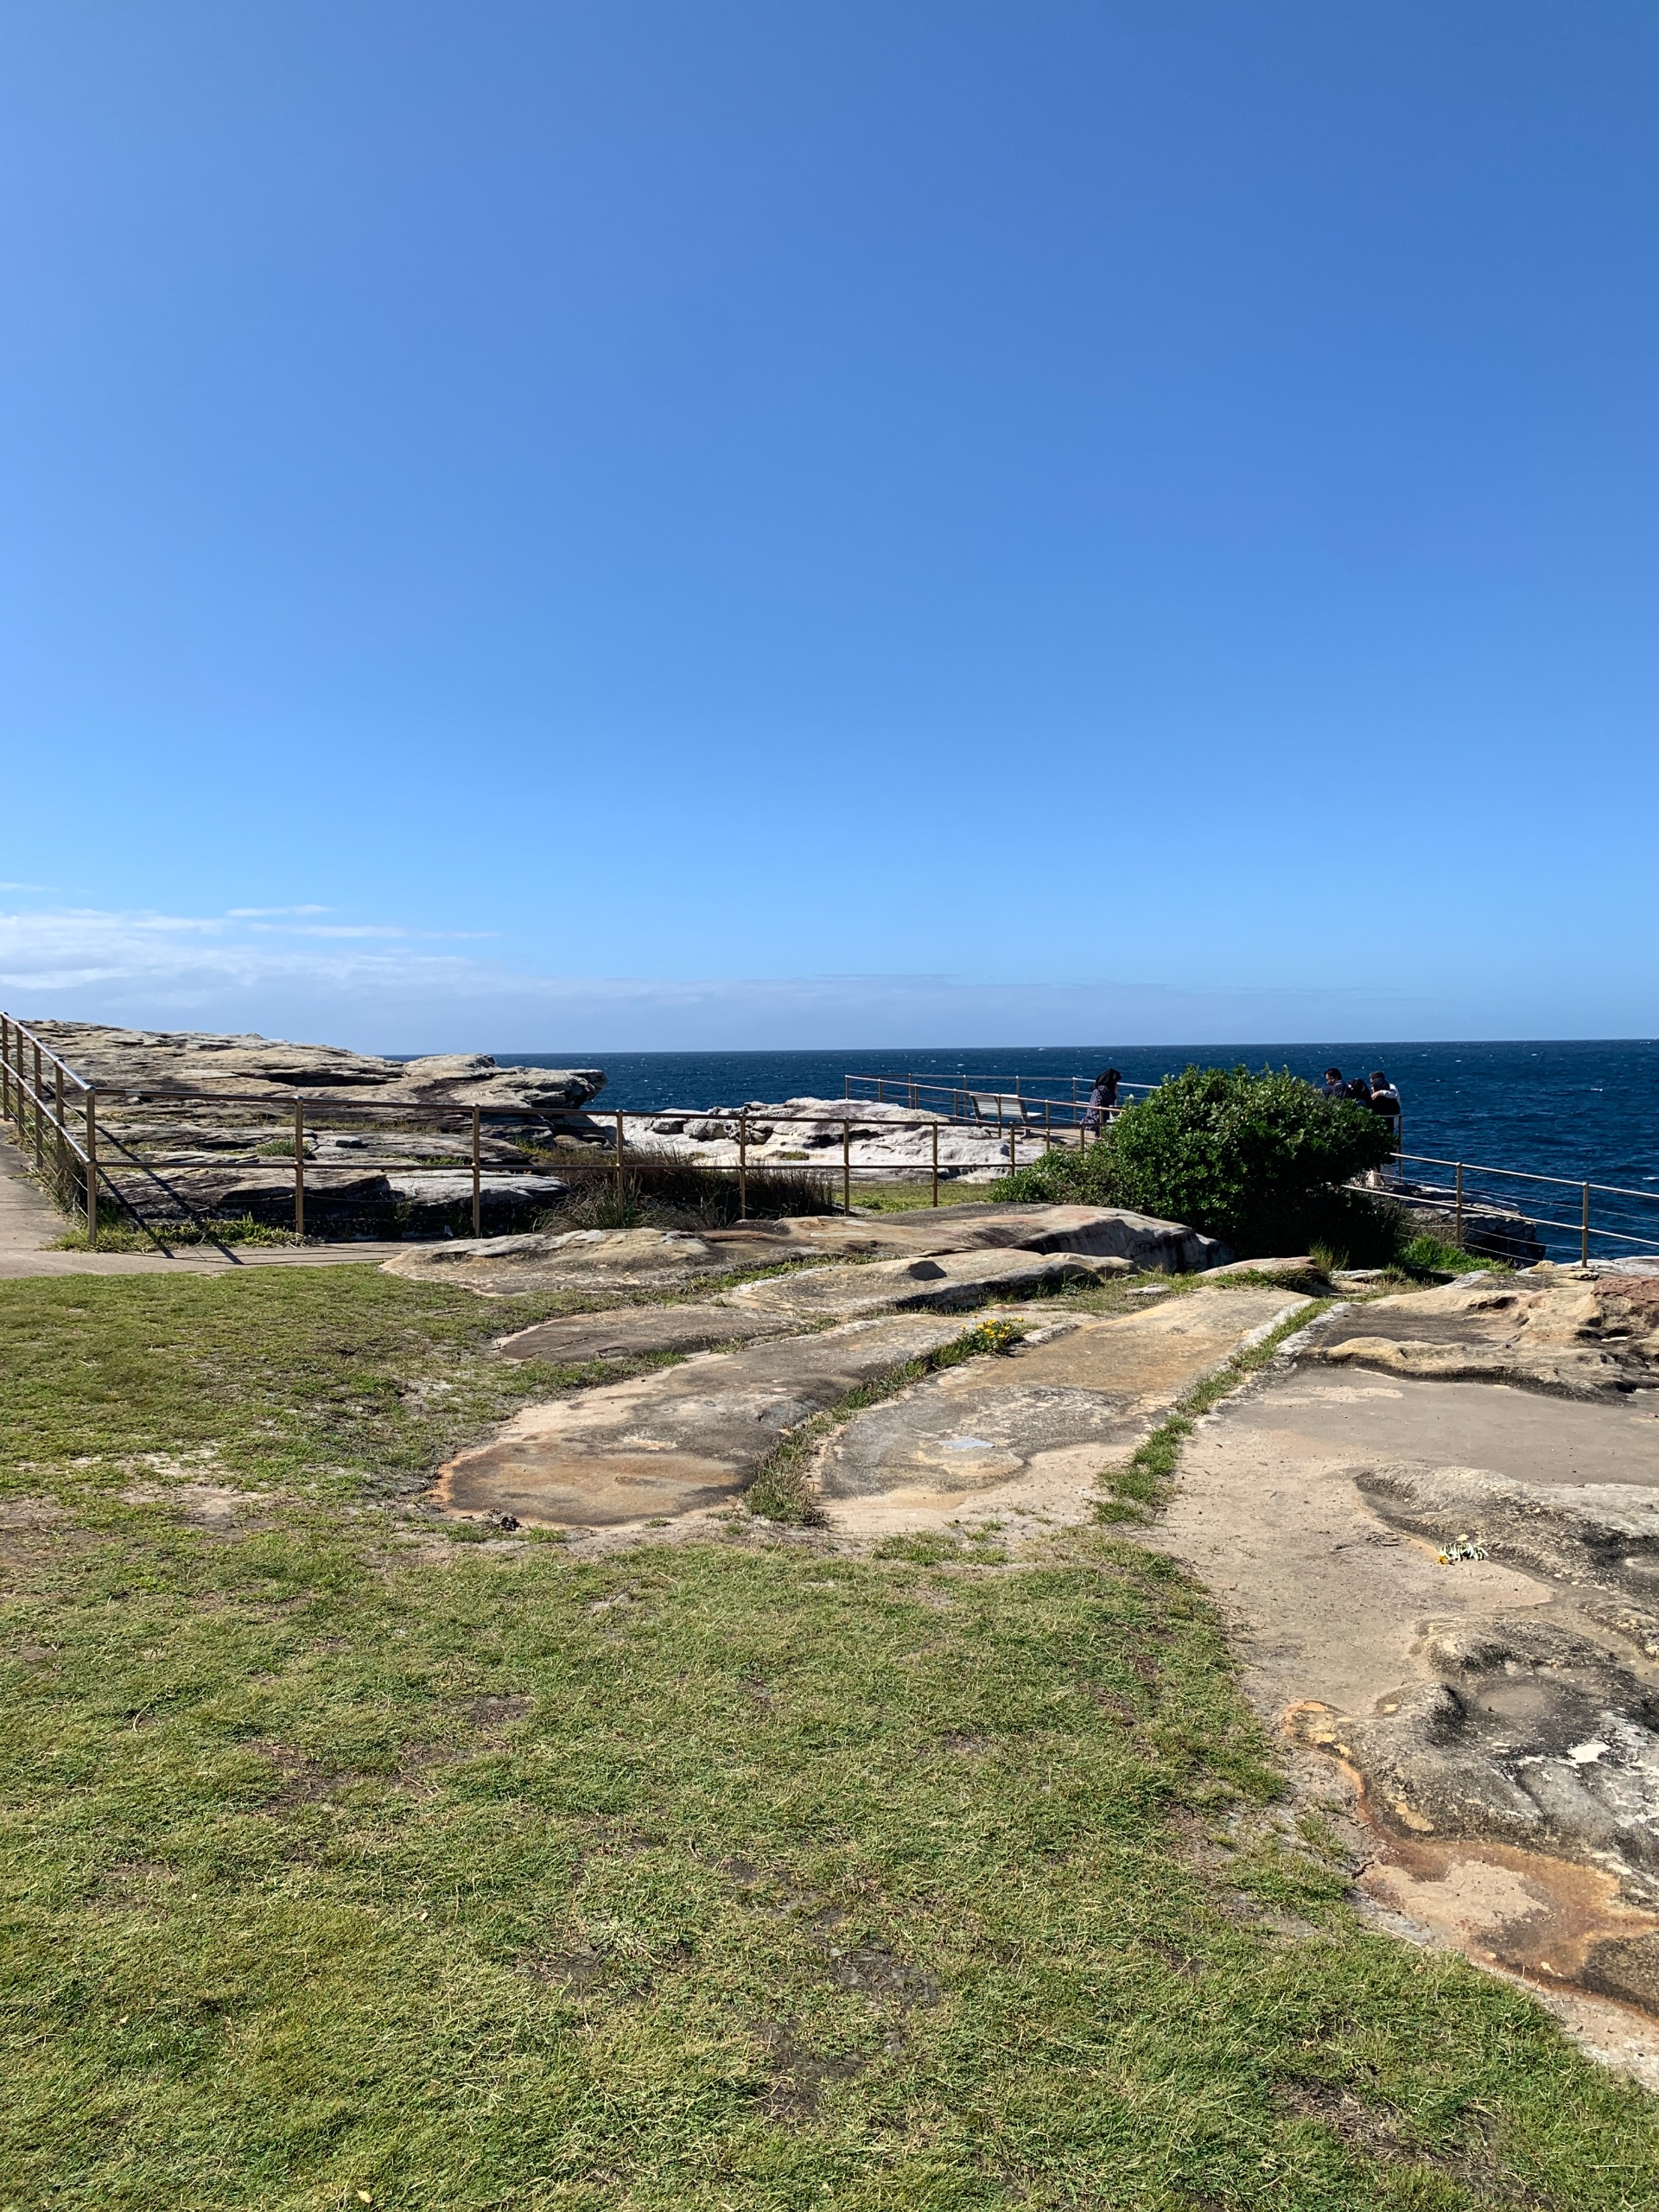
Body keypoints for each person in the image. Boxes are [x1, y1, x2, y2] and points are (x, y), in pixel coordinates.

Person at [1366, 1071, 1402, 1185]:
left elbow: (1394, 1095)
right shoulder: (1377, 1090)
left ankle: (1385, 1178)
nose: (1372, 1085)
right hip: (1383, 1123)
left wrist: (1380, 1092)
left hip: (1390, 1123)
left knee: (1386, 1152)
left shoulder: (1390, 1088)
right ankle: (1378, 1178)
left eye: (1373, 1083)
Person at [1081, 1067, 1120, 1139]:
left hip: (1092, 1115)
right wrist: (1115, 1091)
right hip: (1097, 1117)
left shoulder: (1099, 1087)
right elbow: (1111, 1099)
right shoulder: (1104, 1089)